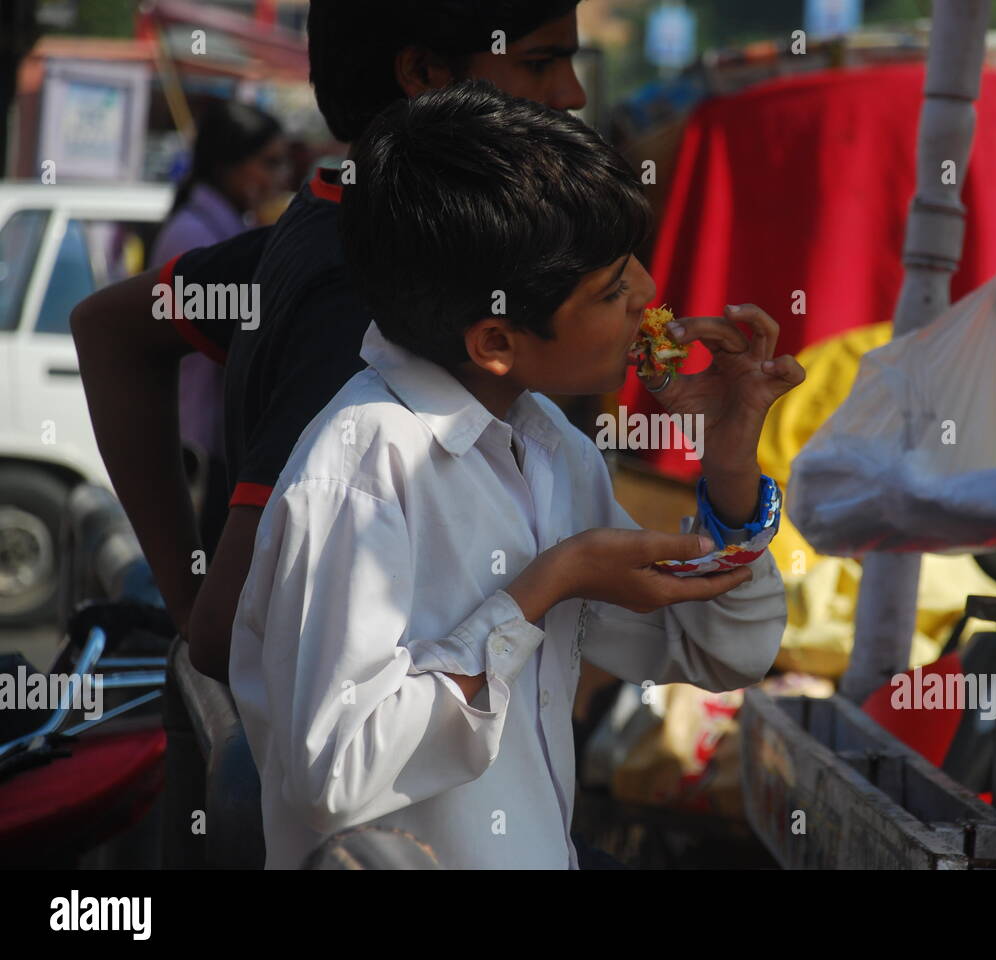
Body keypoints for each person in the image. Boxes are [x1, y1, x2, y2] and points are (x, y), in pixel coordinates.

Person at [230, 81, 804, 869]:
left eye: (631, 264)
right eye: (609, 289)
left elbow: (718, 654)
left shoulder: (548, 448)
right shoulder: (362, 470)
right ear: (497, 340)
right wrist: (544, 587)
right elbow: (335, 775)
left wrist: (730, 460)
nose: (646, 293)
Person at [71, 0, 591, 867]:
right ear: (422, 73)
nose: (571, 94)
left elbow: (110, 325)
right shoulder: (362, 296)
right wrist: (196, 597)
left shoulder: (335, 223)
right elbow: (221, 627)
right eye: (541, 62)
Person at [150, 100, 287, 554]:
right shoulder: (194, 235)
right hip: (198, 448)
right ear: (229, 165)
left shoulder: (227, 229)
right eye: (268, 162)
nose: (279, 177)